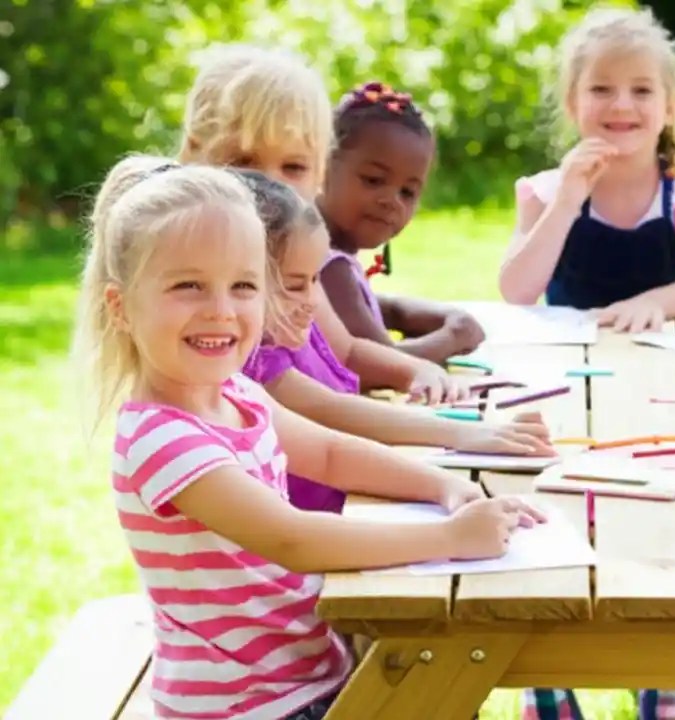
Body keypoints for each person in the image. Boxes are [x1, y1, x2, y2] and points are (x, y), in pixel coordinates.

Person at [73, 157, 543, 719]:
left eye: (243, 286)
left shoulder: (238, 395)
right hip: (250, 707)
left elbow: (331, 453)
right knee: (438, 690)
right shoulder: (162, 440)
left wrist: (444, 487)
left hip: (308, 673)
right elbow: (292, 538)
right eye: (188, 286)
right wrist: (450, 538)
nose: (221, 311)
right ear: (121, 308)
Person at [231, 167, 554, 514]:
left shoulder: (272, 335)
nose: (312, 301)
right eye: (296, 286)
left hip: (349, 503)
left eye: (314, 281)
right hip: (329, 517)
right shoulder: (248, 364)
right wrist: (464, 435)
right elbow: (329, 412)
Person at [178, 43, 467, 403]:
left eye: (293, 167)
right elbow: (304, 418)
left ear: (319, 174)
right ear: (193, 156)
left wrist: (417, 370)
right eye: (243, 161)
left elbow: (347, 351)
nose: (272, 185)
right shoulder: (201, 284)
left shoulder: (298, 263)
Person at [499, 5, 675, 333]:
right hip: (574, 363)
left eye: (641, 90)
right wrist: (565, 204)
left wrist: (653, 304)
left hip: (665, 360)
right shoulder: (548, 194)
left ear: (669, 108)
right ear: (572, 104)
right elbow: (516, 292)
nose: (622, 104)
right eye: (601, 89)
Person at [318, 81, 486, 365]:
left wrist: (452, 318)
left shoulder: (336, 257)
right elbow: (384, 362)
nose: (392, 201)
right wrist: (453, 338)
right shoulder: (325, 265)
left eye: (407, 192)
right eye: (373, 180)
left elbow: (387, 308)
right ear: (321, 165)